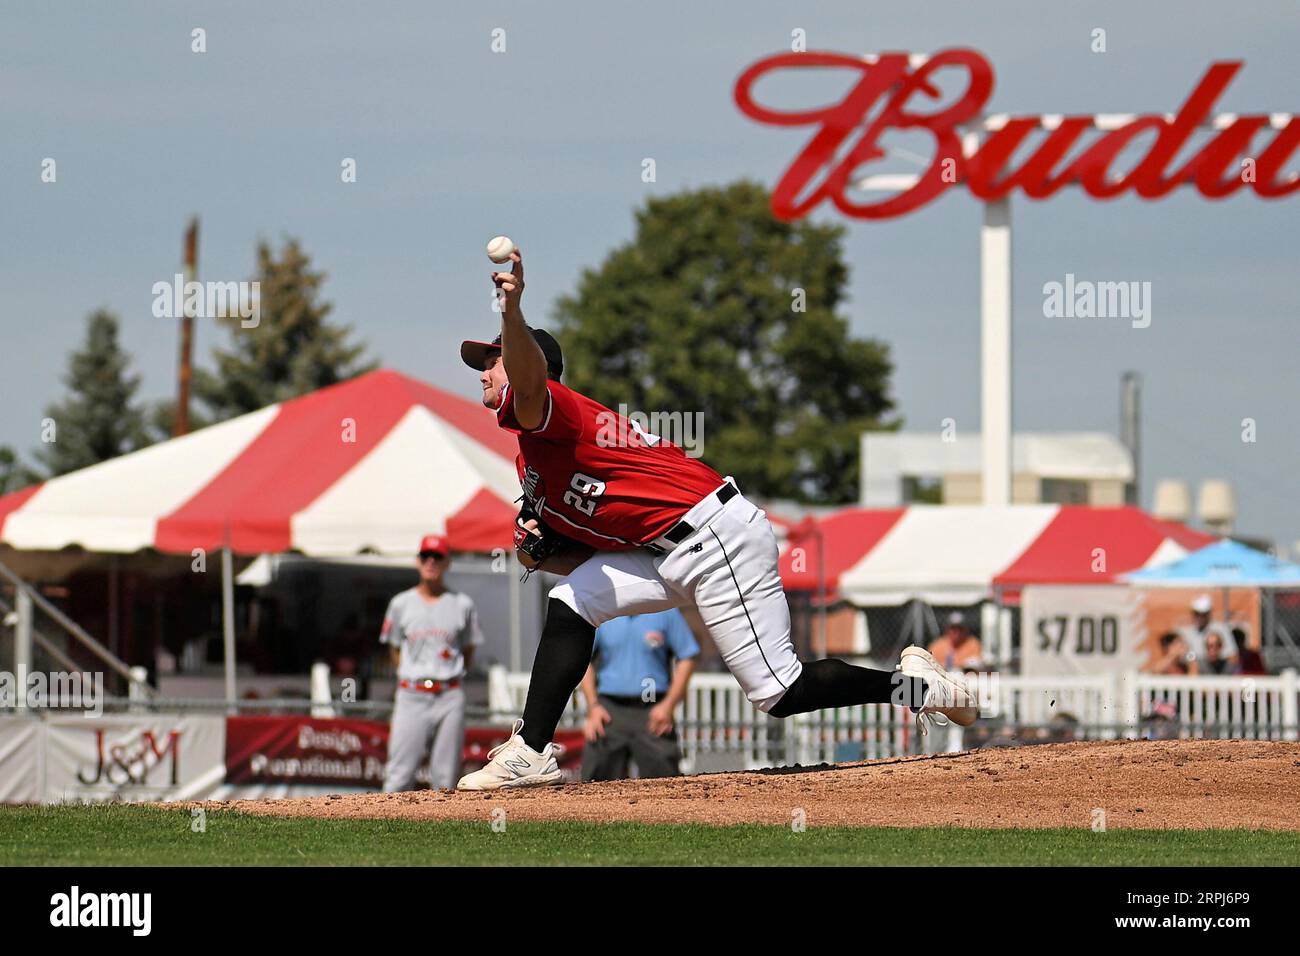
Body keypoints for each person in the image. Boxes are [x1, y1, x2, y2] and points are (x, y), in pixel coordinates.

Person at [454, 247, 977, 791]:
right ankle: (531, 751)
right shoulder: (531, 457)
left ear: (523, 365)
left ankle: (917, 688)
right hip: (666, 551)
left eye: (492, 361)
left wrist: (511, 310)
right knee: (572, 600)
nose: (483, 372)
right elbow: (586, 554)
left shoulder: (553, 410)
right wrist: (540, 552)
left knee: (779, 692)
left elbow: (531, 380)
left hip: (715, 535)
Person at [381, 534, 483, 792]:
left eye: (437, 557)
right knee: (399, 774)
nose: (431, 562)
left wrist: (452, 674)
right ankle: (383, 829)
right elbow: (393, 648)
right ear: (417, 561)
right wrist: (409, 674)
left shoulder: (462, 604)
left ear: (447, 563)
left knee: (446, 777)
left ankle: (444, 831)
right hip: (412, 692)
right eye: (426, 556)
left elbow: (469, 648)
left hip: (449, 693)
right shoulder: (400, 603)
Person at [580, 609, 699, 781]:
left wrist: (668, 705)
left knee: (664, 785)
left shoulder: (665, 610)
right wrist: (593, 707)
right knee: (595, 780)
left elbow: (687, 656)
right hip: (608, 712)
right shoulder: (602, 612)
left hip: (652, 711)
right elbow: (583, 660)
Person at [1181, 594, 1239, 668]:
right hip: (1196, 672)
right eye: (1197, 613)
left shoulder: (1221, 629)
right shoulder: (1187, 632)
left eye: (1203, 614)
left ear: (1209, 613)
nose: (1200, 617)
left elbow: (1233, 655)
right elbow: (1184, 657)